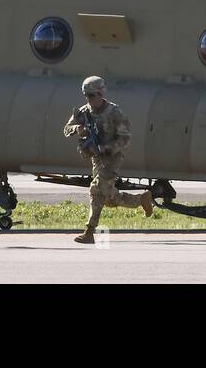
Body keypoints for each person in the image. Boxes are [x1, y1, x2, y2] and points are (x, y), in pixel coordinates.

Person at [63, 76, 153, 244]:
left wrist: (107, 148)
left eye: (91, 95)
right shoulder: (84, 112)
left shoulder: (114, 112)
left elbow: (125, 137)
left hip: (112, 158)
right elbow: (66, 129)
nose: (88, 99)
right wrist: (77, 129)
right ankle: (142, 199)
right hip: (96, 159)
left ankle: (89, 231)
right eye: (86, 96)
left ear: (100, 94)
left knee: (96, 190)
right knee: (110, 198)